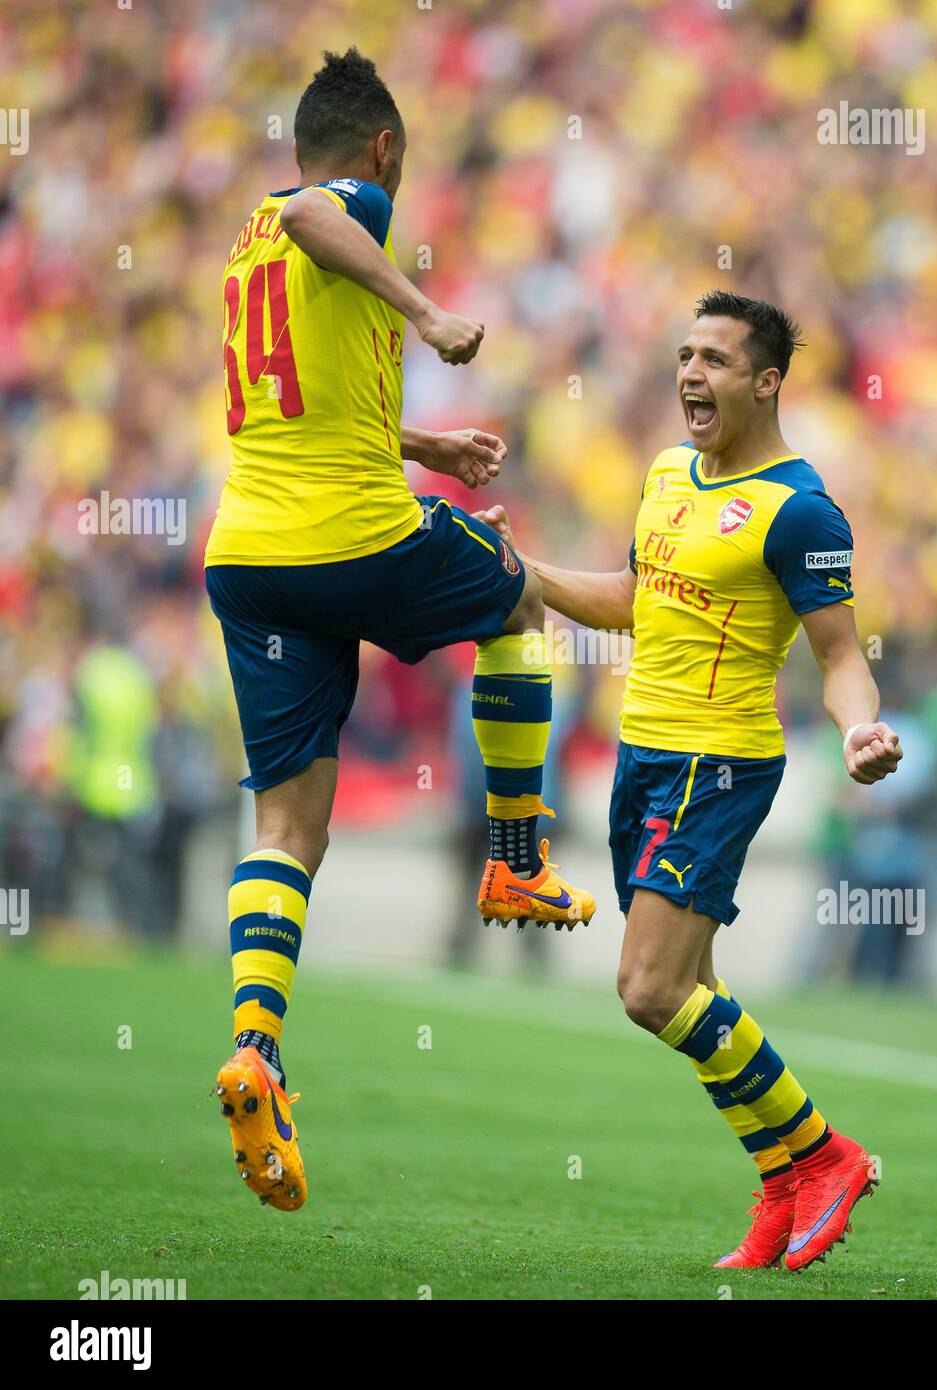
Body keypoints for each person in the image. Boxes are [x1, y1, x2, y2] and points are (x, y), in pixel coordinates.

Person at [204, 49, 595, 1212]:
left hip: (250, 559)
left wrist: (430, 447)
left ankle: (255, 1052)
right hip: (352, 536)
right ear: (382, 150)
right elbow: (325, 215)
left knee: (287, 829)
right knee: (520, 598)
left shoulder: (243, 243)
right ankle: (517, 860)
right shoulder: (333, 206)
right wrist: (425, 311)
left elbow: (299, 401)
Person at [475, 291, 902, 1271]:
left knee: (648, 986)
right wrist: (521, 566)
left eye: (713, 358)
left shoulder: (802, 511)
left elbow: (839, 655)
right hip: (640, 756)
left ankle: (827, 1156)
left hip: (718, 761)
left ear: (765, 381)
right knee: (694, 991)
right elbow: (631, 602)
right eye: (683, 354)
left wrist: (861, 727)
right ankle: (780, 1178)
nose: (689, 374)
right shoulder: (667, 473)